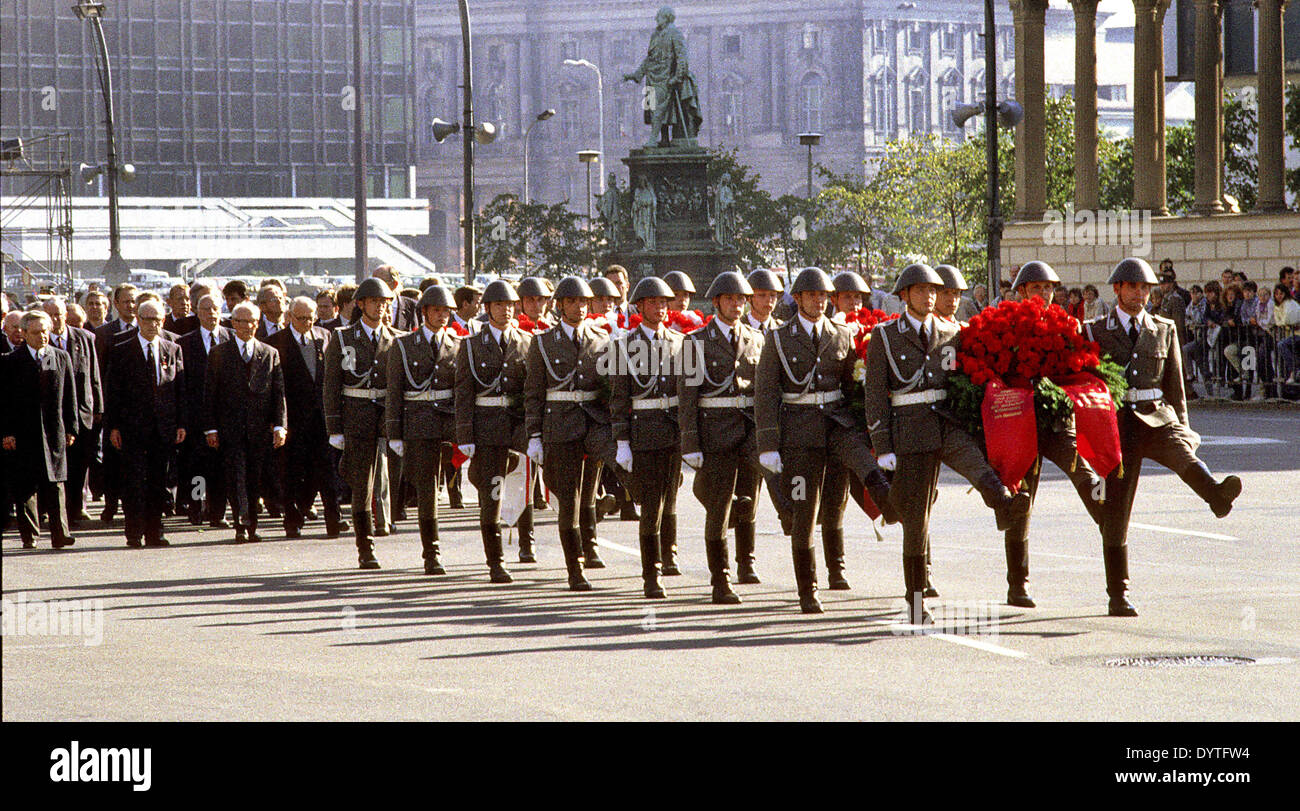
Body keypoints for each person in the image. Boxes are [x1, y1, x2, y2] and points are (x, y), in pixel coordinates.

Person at [862, 264, 1031, 625]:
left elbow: (964, 379)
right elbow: (875, 395)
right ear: (904, 295)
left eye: (934, 291)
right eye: (921, 290)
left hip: (946, 422)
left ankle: (1004, 504)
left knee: (976, 464)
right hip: (910, 431)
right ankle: (916, 600)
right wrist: (883, 444)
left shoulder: (951, 331)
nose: (930, 297)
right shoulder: (886, 336)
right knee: (916, 522)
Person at [1084, 258, 1242, 616]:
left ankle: (1215, 494)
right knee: (1117, 512)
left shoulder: (1164, 327)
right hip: (1117, 424)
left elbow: (1175, 385)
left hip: (1157, 416)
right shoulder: (1094, 331)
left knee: (1183, 455)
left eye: (1145, 288)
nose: (1140, 294)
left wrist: (1185, 429)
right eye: (1133, 287)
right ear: (1117, 290)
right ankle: (1118, 593)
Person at [756, 267, 896, 614]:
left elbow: (850, 388)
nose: (819, 301)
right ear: (799, 298)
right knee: (805, 511)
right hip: (799, 434)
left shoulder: (842, 333)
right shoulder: (777, 338)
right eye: (812, 295)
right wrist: (768, 446)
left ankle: (887, 505)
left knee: (842, 493)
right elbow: (764, 394)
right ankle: (808, 588)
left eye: (823, 296)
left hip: (836, 424)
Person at [996, 261, 1106, 607]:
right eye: (1036, 288)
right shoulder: (1007, 322)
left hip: (1056, 418)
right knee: (1021, 502)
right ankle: (1018, 585)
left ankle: (1110, 519)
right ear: (1023, 291)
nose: (1043, 294)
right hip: (1021, 420)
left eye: (1048, 288)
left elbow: (1080, 365)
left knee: (1083, 473)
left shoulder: (1067, 323)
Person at [678, 271, 783, 600]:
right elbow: (687, 398)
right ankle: (719, 579)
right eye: (730, 299)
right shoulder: (695, 341)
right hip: (715, 430)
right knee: (720, 506)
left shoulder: (756, 337)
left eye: (741, 299)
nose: (737, 305)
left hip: (749, 426)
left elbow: (765, 391)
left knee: (750, 497)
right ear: (716, 303)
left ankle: (746, 562)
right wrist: (690, 443)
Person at [524, 276, 632, 591]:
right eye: (573, 301)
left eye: (584, 301)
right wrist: (534, 434)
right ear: (560, 305)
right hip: (559, 424)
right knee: (569, 501)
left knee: (626, 464)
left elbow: (612, 389)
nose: (579, 307)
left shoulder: (602, 339)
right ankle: (575, 567)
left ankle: (637, 497)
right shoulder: (542, 342)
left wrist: (621, 434)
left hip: (595, 422)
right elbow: (533, 393)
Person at [608, 276, 685, 599]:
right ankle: (650, 574)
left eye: (664, 303)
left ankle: (669, 555)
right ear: (640, 307)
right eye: (653, 303)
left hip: (674, 432)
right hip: (645, 433)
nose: (660, 308)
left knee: (671, 499)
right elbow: (617, 399)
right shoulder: (622, 346)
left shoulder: (682, 342)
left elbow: (689, 393)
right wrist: (622, 441)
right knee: (651, 505)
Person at [386, 285, 463, 575]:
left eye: (446, 311)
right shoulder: (404, 346)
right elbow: (394, 391)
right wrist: (394, 433)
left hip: (450, 417)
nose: (442, 315)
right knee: (427, 490)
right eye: (437, 310)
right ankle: (431, 552)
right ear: (424, 312)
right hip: (418, 420)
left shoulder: (457, 344)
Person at [324, 278, 397, 568]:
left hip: (387, 414)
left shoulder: (396, 338)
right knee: (362, 485)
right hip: (356, 416)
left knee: (394, 477)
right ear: (361, 304)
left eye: (384, 302)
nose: (380, 307)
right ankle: (365, 546)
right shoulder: (343, 338)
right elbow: (331, 385)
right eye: (375, 302)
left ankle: (391, 523)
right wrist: (334, 428)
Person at [203, 301, 288, 543]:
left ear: (257, 324)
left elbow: (278, 393)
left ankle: (251, 525)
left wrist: (280, 425)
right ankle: (241, 523)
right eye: (241, 321)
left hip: (259, 429)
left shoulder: (269, 353)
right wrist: (210, 428)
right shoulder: (219, 353)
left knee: (254, 478)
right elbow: (210, 394)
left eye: (252, 321)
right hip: (230, 429)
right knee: (235, 476)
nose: (247, 326)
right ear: (233, 323)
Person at [105, 300, 186, 548]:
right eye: (148, 319)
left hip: (163, 428)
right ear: (138, 319)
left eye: (158, 319)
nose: (153, 324)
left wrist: (181, 423)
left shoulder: (172, 349)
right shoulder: (121, 350)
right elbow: (113, 392)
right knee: (134, 482)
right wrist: (113, 427)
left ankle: (155, 532)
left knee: (159, 482)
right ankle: (134, 532)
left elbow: (179, 389)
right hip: (132, 429)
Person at [269, 297, 345, 539]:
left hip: (322, 419)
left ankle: (334, 520)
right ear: (290, 316)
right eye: (301, 318)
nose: (307, 323)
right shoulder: (276, 343)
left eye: (311, 318)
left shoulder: (325, 336)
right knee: (293, 472)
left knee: (327, 471)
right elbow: (275, 387)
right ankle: (293, 520)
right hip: (294, 420)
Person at [0, 311, 77, 549]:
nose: (43, 336)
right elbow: (3, 401)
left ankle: (60, 533)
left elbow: (69, 396)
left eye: (46, 330)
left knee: (56, 484)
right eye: (36, 332)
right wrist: (6, 432)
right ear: (23, 334)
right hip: (23, 432)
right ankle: (30, 535)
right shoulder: (11, 361)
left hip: (54, 431)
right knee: (25, 487)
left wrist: (71, 428)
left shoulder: (60, 357)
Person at [42, 297, 101, 527]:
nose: (56, 319)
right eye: (51, 315)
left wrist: (99, 409)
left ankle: (78, 507)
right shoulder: (45, 345)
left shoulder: (84, 338)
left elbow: (94, 375)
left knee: (81, 464)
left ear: (66, 315)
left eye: (59, 314)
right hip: (57, 413)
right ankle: (57, 510)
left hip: (83, 411)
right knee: (57, 465)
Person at [176, 294, 231, 529]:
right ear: (197, 312)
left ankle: (218, 512)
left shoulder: (231, 338)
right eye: (206, 309)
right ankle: (196, 508)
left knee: (220, 468)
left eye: (215, 309)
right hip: (196, 417)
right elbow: (181, 383)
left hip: (225, 415)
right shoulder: (185, 343)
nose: (211, 313)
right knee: (197, 468)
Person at [93, 283, 139, 523]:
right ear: (116, 304)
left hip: (139, 407)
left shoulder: (146, 328)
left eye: (134, 301)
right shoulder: (104, 334)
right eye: (126, 301)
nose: (131, 306)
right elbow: (98, 372)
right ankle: (111, 503)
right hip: (112, 403)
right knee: (112, 458)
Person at [373, 265, 418, 332]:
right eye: (373, 282)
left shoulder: (413, 307)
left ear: (394, 284)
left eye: (380, 282)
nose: (375, 287)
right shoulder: (364, 306)